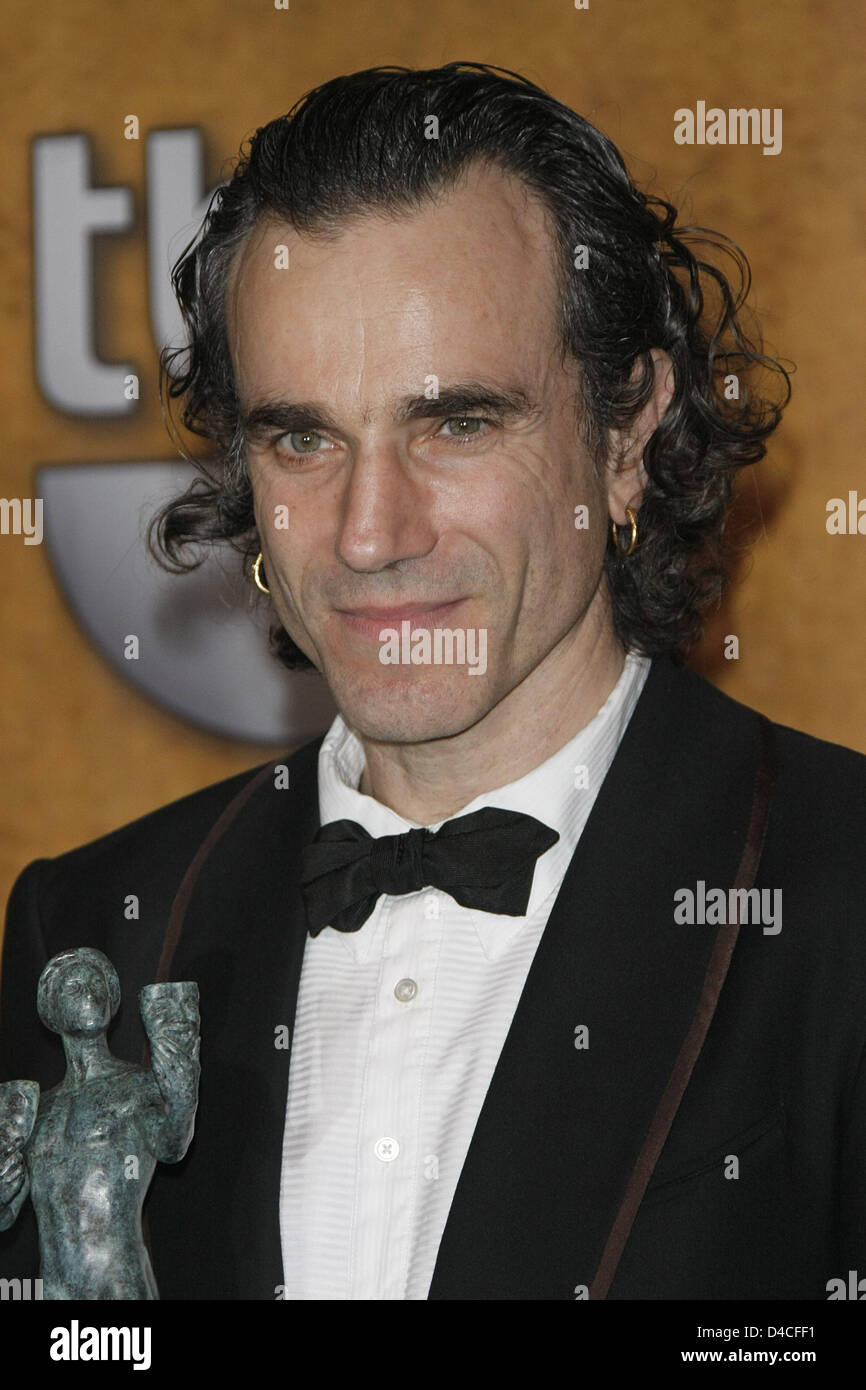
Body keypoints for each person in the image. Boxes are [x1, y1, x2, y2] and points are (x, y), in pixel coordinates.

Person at [1, 61, 864, 1301]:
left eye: (455, 423)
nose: (366, 532)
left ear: (624, 436)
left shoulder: (834, 895)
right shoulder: (92, 925)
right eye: (302, 437)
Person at [0, 948, 199, 1299]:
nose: (90, 992)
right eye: (74, 987)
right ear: (52, 1011)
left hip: (119, 1284)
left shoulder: (137, 1086)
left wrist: (183, 1099)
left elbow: (171, 1146)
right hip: (54, 1290)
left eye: (97, 984)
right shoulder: (35, 1110)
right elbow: (5, 1215)